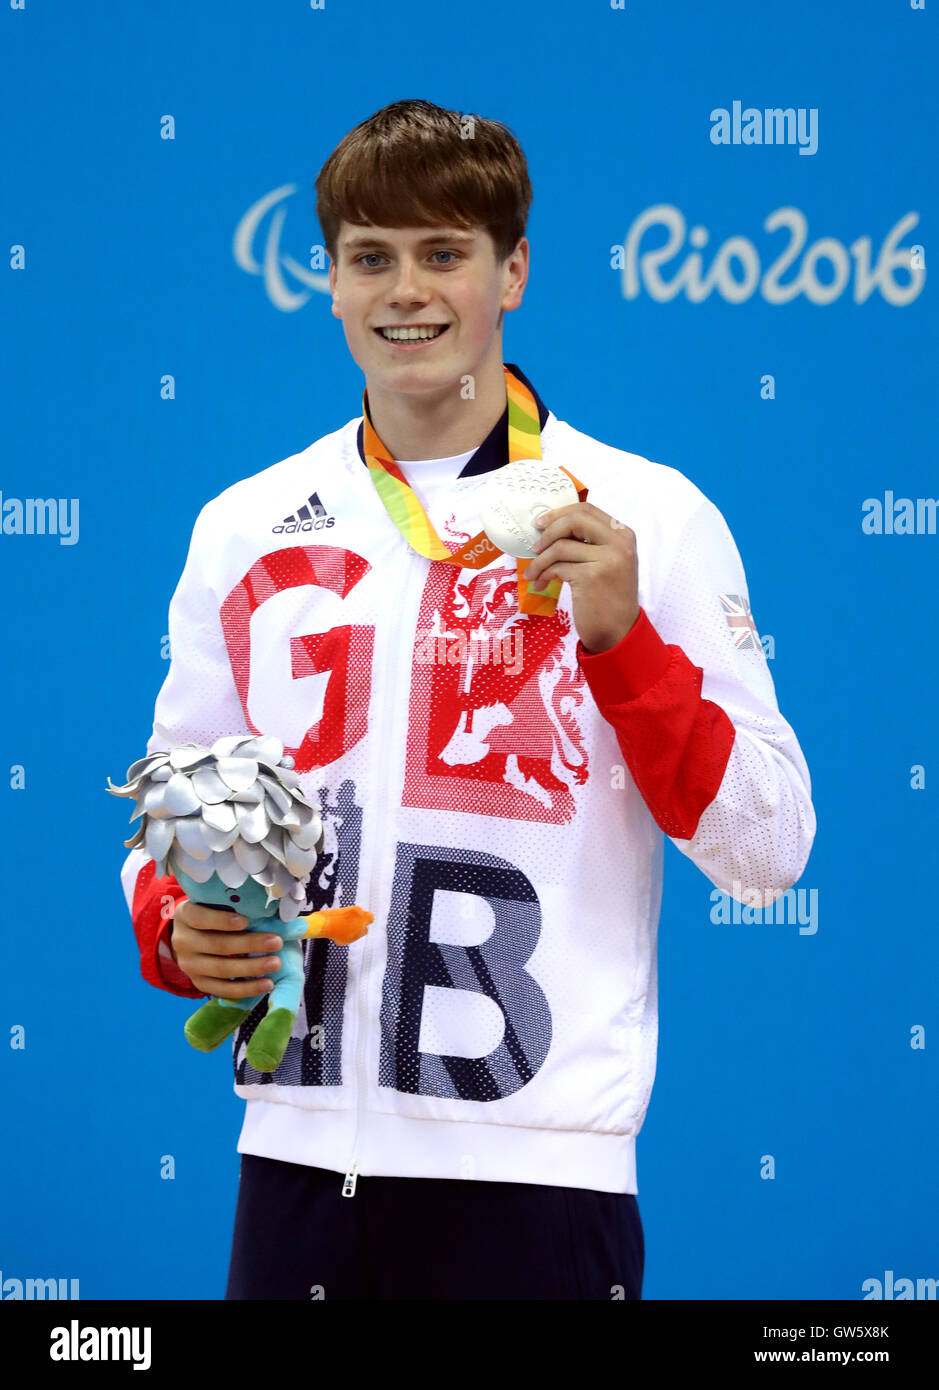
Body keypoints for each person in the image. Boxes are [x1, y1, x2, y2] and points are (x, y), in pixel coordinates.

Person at [119, 98, 816, 1301]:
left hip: (541, 1189)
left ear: (514, 273)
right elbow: (165, 815)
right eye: (370, 257)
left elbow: (771, 848)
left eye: (445, 253)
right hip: (290, 1175)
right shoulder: (240, 527)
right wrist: (179, 931)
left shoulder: (652, 514)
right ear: (328, 282)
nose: (407, 291)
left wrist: (627, 646)